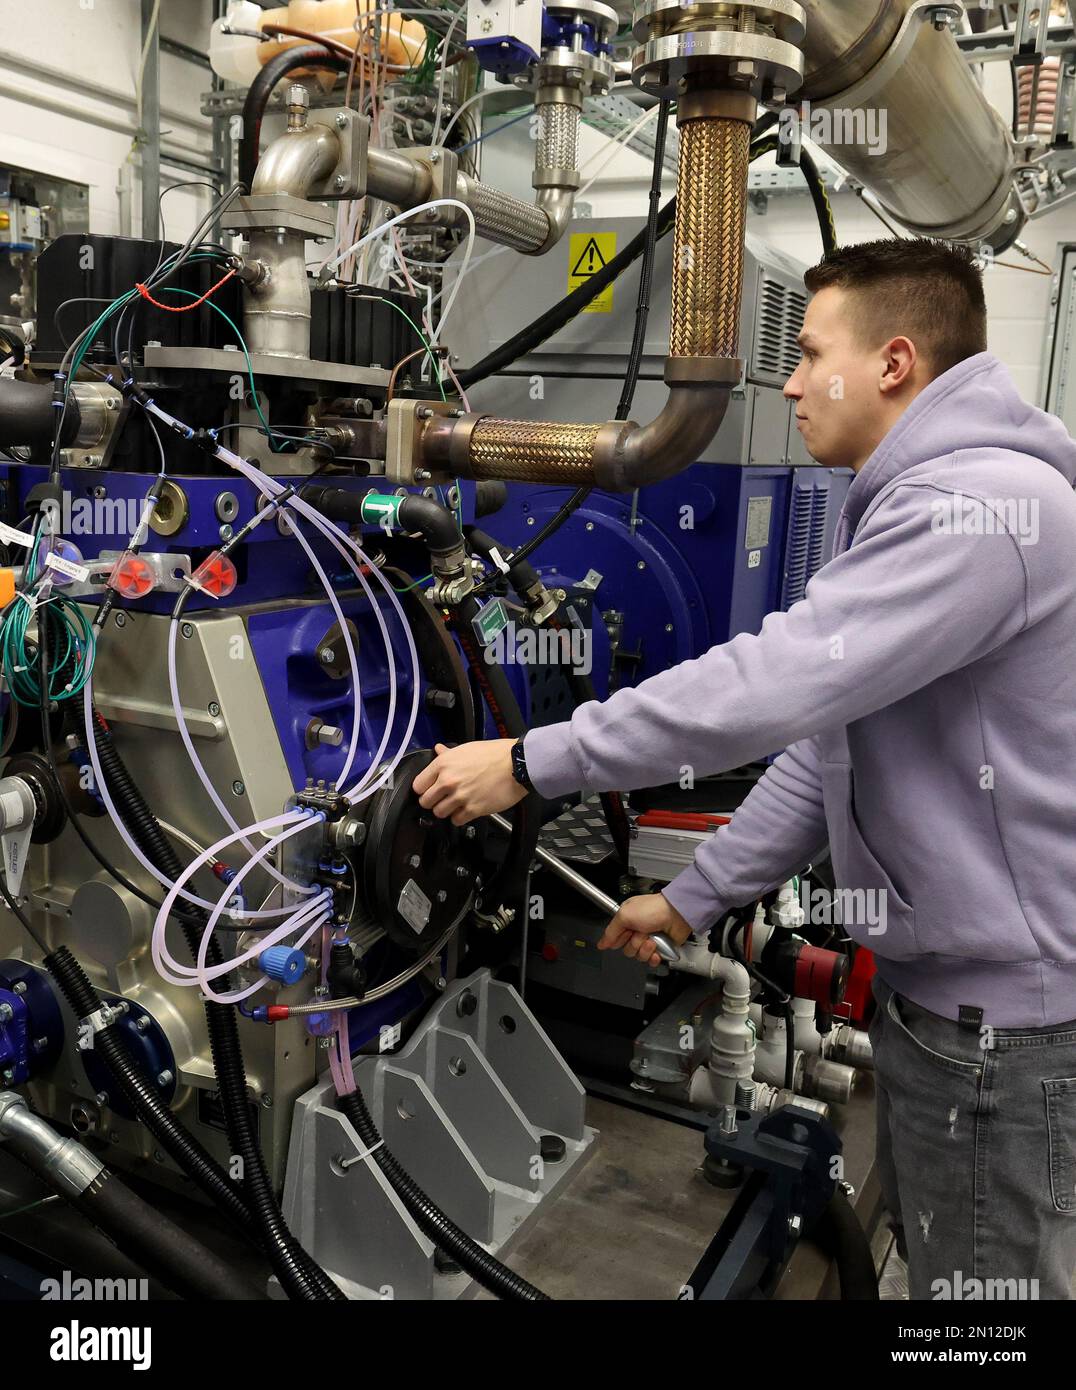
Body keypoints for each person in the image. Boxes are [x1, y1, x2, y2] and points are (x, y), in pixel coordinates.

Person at [412, 238, 1076, 1300]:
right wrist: (690, 898)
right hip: (941, 1008)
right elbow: (827, 751)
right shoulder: (920, 500)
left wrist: (536, 760)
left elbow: (771, 686)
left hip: (994, 1029)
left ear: (893, 363)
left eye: (812, 353)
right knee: (951, 1270)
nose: (791, 378)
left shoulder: (976, 512)